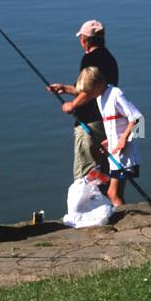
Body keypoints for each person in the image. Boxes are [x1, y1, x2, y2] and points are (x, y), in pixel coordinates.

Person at [48, 20, 118, 181]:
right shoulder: (110, 59)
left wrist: (72, 104)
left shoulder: (89, 60)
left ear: (85, 40)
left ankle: (86, 198)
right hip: (106, 123)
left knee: (85, 175)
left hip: (88, 124)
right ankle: (103, 197)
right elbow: (92, 88)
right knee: (103, 172)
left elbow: (89, 92)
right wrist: (65, 88)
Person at [76, 66, 144, 207]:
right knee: (115, 193)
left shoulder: (115, 94)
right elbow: (115, 124)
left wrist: (123, 139)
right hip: (115, 152)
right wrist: (110, 141)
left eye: (91, 91)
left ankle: (125, 217)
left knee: (112, 193)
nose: (90, 95)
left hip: (124, 154)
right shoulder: (99, 98)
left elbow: (137, 118)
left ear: (99, 84)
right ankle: (124, 214)